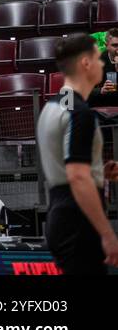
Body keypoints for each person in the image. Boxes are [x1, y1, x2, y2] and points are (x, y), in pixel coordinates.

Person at [36, 32, 118, 274]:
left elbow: (66, 166)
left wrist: (98, 172)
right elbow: (77, 177)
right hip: (78, 218)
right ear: (86, 64)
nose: (103, 64)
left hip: (60, 212)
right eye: (98, 59)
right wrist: (107, 233)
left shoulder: (53, 106)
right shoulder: (79, 112)